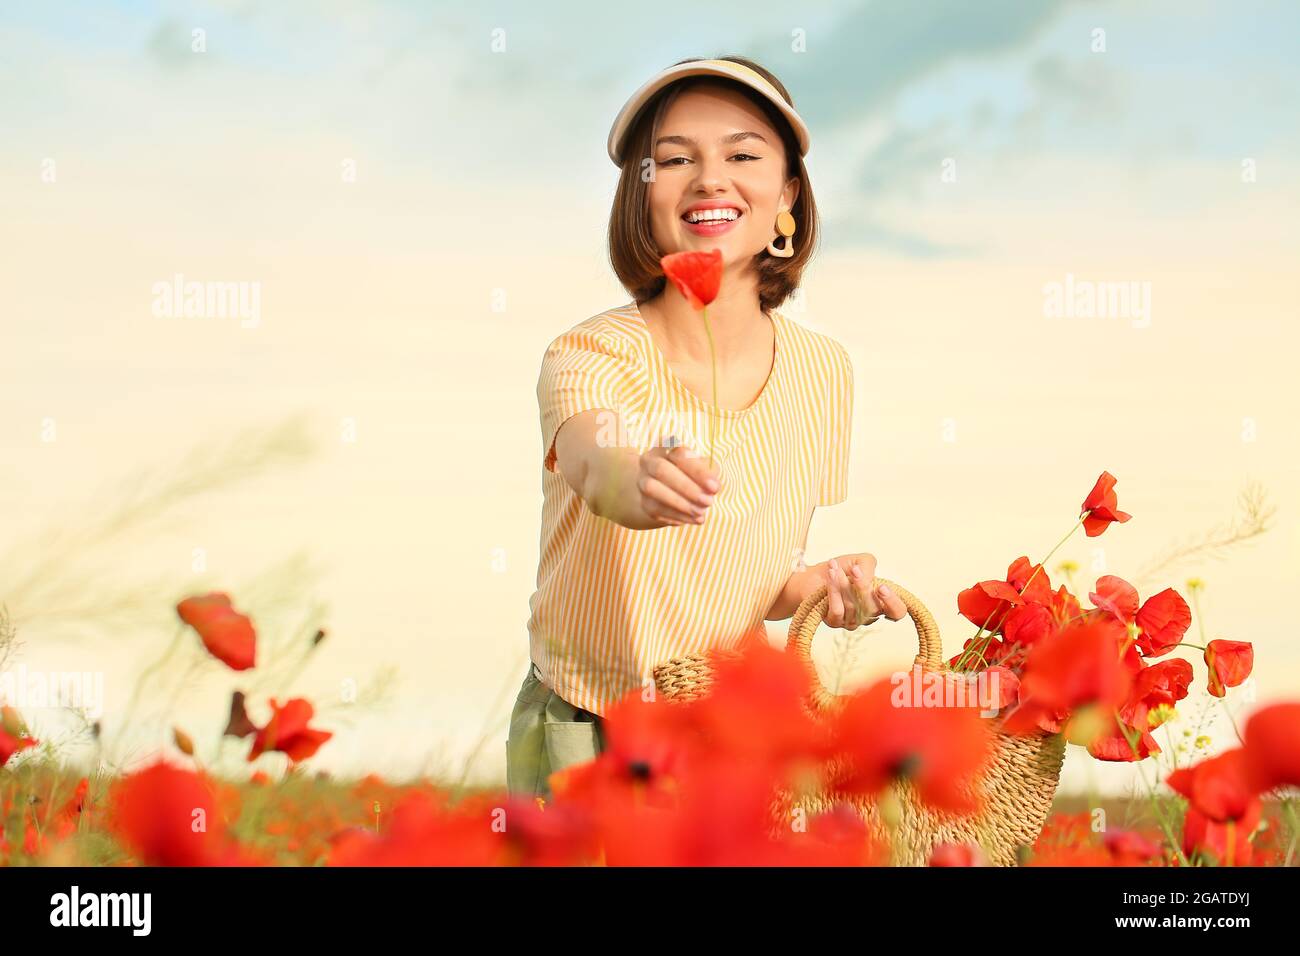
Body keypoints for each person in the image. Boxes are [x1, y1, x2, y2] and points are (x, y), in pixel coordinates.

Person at [506, 55, 908, 801]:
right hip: (587, 732)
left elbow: (743, 581)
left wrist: (816, 587)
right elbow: (598, 467)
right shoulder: (589, 353)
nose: (710, 178)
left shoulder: (824, 372)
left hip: (731, 742)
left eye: (743, 154)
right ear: (642, 195)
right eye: (676, 159)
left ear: (788, 193)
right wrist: (636, 478)